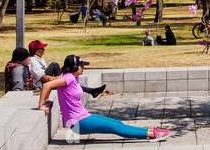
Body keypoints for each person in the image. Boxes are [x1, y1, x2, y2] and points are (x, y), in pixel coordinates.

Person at [39, 55, 170, 141]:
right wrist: (42, 104)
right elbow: (47, 85)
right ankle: (152, 134)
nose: (83, 67)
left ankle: (151, 130)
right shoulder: (68, 78)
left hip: (83, 116)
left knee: (117, 124)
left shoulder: (73, 77)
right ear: (75, 67)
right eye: (82, 65)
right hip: (77, 122)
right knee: (115, 128)